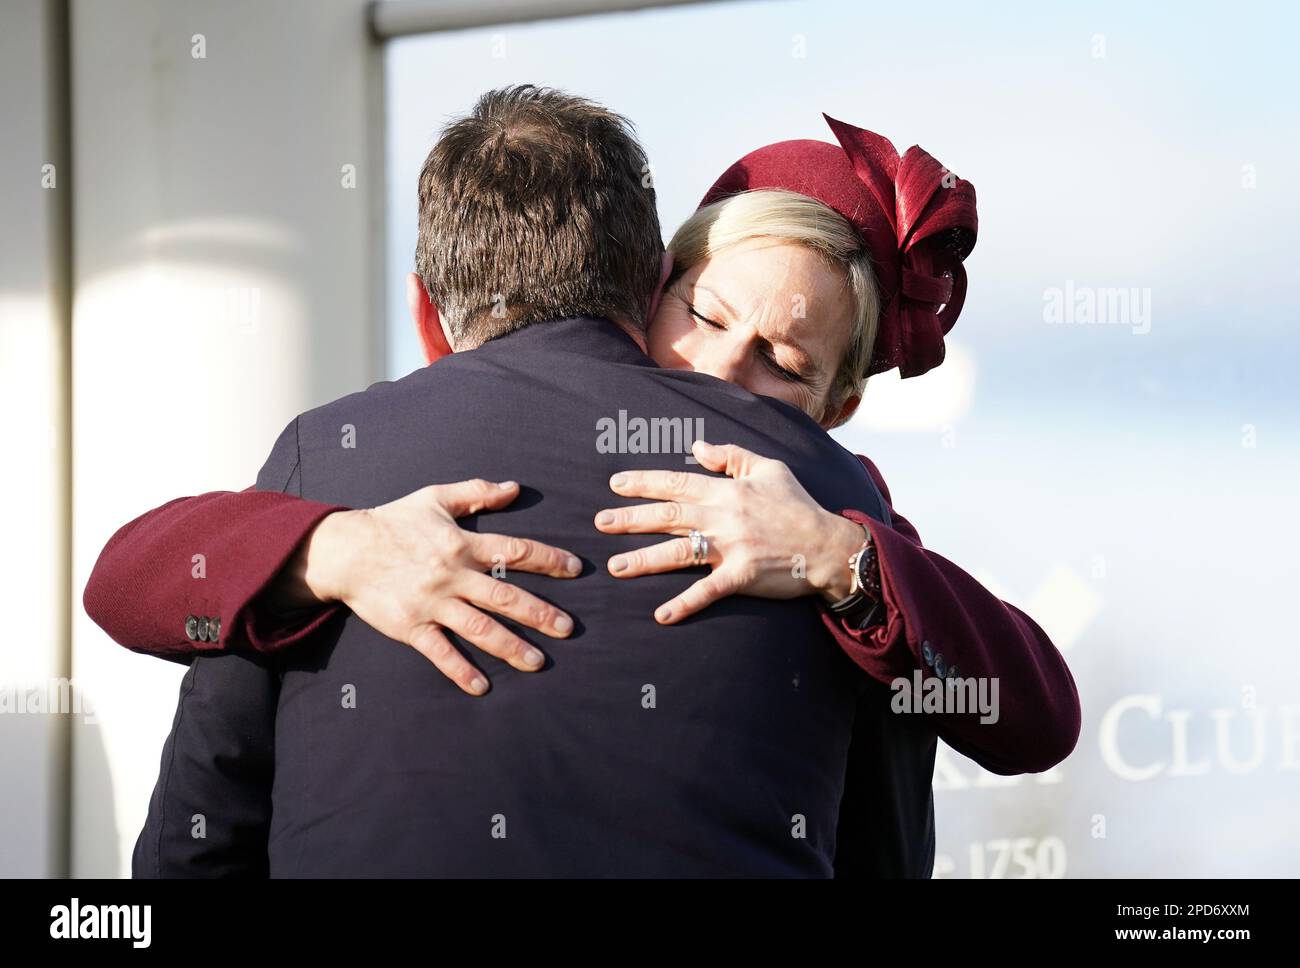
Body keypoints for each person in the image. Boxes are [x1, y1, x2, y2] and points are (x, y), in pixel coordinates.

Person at [86, 87, 1079, 876]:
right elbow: (130, 583)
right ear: (650, 283)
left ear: (839, 404)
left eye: (784, 362)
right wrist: (329, 547)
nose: (726, 370)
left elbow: (1026, 713)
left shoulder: (824, 514)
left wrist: (842, 557)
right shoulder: (347, 492)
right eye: (707, 311)